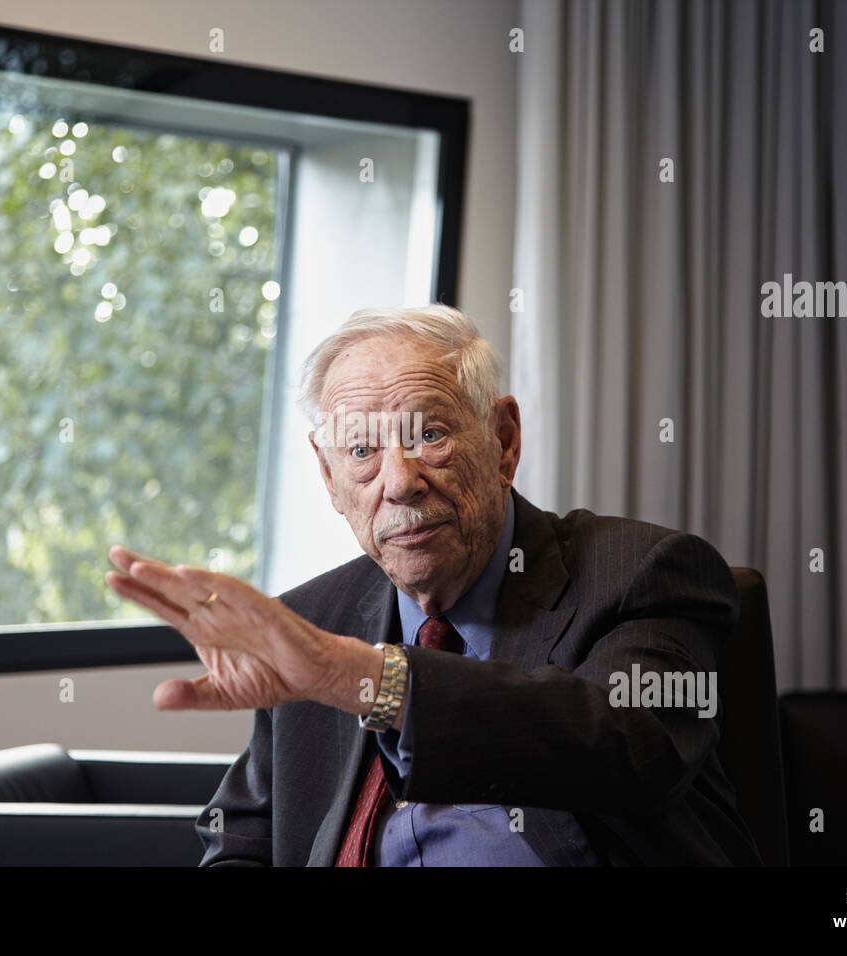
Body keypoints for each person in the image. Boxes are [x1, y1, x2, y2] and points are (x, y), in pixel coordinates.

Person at [105, 304, 762, 866]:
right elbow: (246, 841)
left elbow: (628, 749)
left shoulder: (642, 572)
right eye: (360, 451)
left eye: (430, 434)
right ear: (330, 478)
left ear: (503, 441)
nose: (398, 482)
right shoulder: (313, 617)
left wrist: (368, 679)